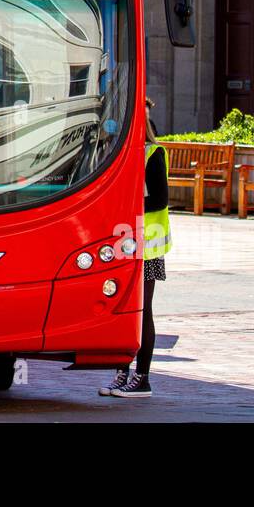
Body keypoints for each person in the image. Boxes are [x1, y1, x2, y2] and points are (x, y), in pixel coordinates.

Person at [100, 98, 172, 399]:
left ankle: (142, 377)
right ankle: (122, 372)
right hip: (123, 243)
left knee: (143, 311)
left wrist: (126, 203)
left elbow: (159, 199)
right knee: (122, 309)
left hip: (148, 246)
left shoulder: (153, 153)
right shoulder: (120, 154)